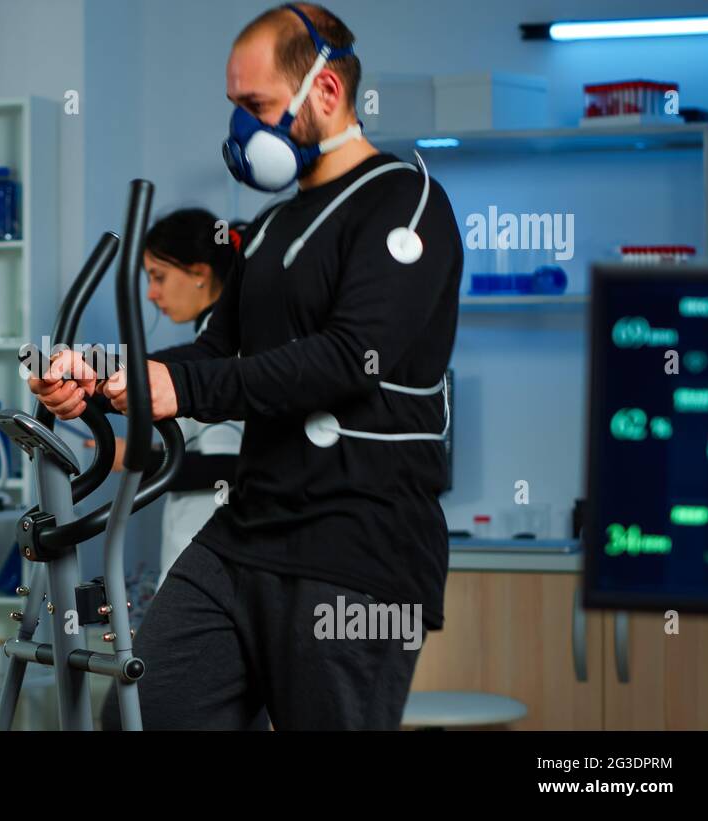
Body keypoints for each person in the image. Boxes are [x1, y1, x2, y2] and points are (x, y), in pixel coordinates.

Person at [31, 3, 461, 730]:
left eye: (256, 106)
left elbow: (346, 359)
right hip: (246, 536)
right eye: (236, 107)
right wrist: (104, 381)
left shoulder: (405, 204)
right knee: (143, 714)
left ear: (325, 92)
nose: (243, 130)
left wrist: (179, 385)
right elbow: (210, 353)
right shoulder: (266, 231)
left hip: (359, 553)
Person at [85, 208, 245, 585]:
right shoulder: (206, 347)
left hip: (216, 548)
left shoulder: (230, 353)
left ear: (199, 273)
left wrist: (137, 458)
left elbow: (230, 465)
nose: (151, 294)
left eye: (158, 277)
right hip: (198, 544)